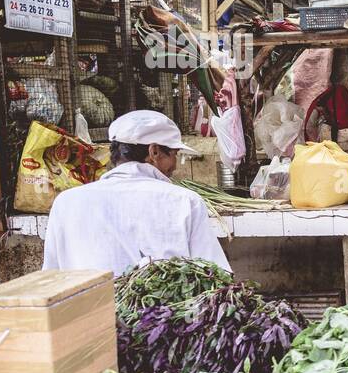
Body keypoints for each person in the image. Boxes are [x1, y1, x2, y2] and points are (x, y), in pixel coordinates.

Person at [43, 110, 230, 276]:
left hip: (88, 314)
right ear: (154, 151)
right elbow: (215, 276)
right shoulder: (185, 201)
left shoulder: (66, 203)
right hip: (161, 315)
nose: (174, 166)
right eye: (174, 154)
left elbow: (51, 280)